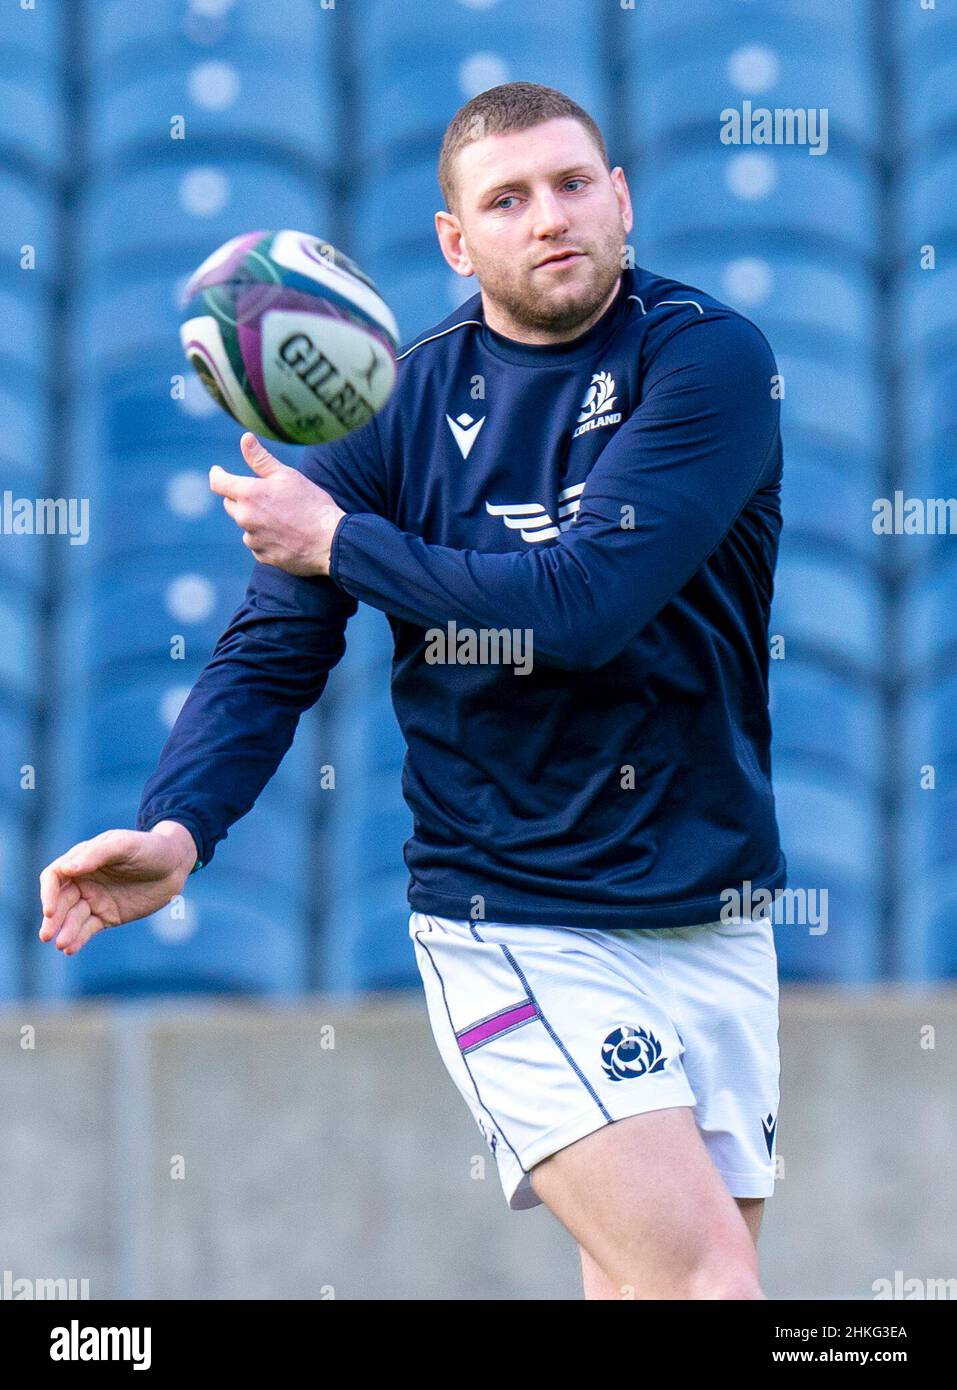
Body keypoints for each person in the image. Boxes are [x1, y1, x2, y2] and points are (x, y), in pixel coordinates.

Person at [38, 82, 784, 1300]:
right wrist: (181, 823)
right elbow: (275, 644)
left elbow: (583, 607)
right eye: (508, 199)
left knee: (654, 1284)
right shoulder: (389, 405)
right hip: (514, 917)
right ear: (455, 240)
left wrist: (342, 541)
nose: (550, 217)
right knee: (708, 1284)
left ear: (623, 199)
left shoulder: (707, 361)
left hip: (713, 903)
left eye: (573, 183)